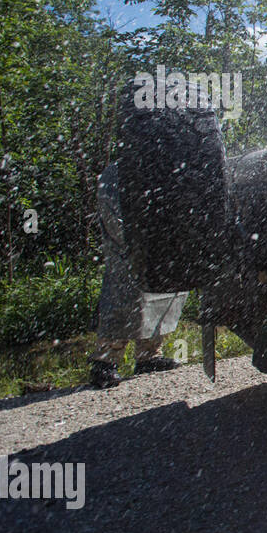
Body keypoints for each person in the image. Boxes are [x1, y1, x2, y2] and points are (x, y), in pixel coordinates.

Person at [88, 161, 188, 388]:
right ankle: (105, 362)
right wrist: (138, 242)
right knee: (123, 300)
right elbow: (114, 217)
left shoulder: (159, 168)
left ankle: (148, 356)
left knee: (160, 297)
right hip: (129, 252)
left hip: (156, 248)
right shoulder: (115, 173)